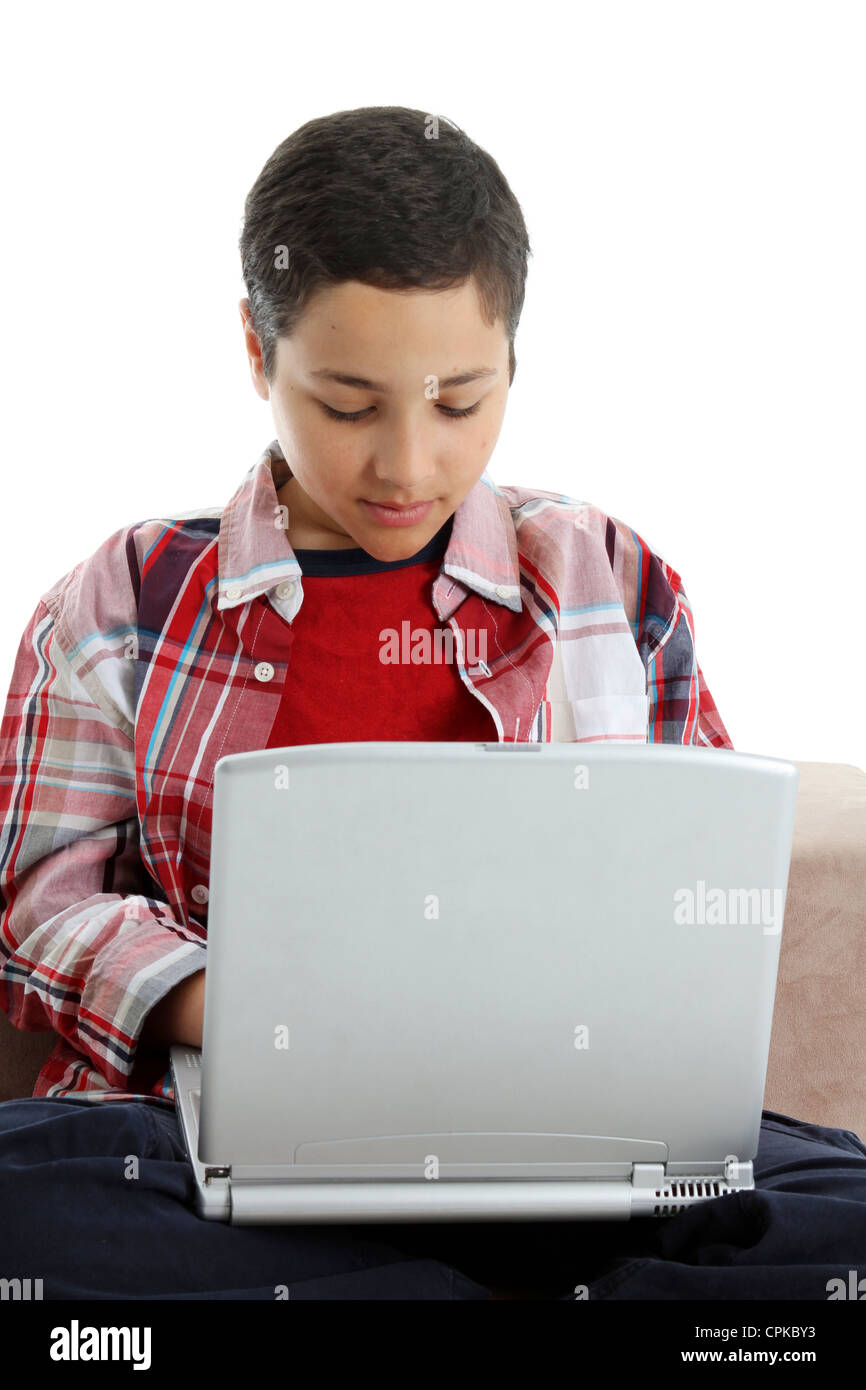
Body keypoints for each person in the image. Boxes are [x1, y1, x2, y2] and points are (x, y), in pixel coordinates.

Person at [1, 106, 865, 1302]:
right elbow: (41, 902)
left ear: (513, 359)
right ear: (257, 354)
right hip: (219, 1149)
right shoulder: (126, 596)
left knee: (843, 1219)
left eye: (458, 401)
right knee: (27, 1213)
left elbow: (702, 878)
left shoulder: (604, 573)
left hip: (562, 1136)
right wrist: (242, 1009)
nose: (405, 465)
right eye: (348, 404)